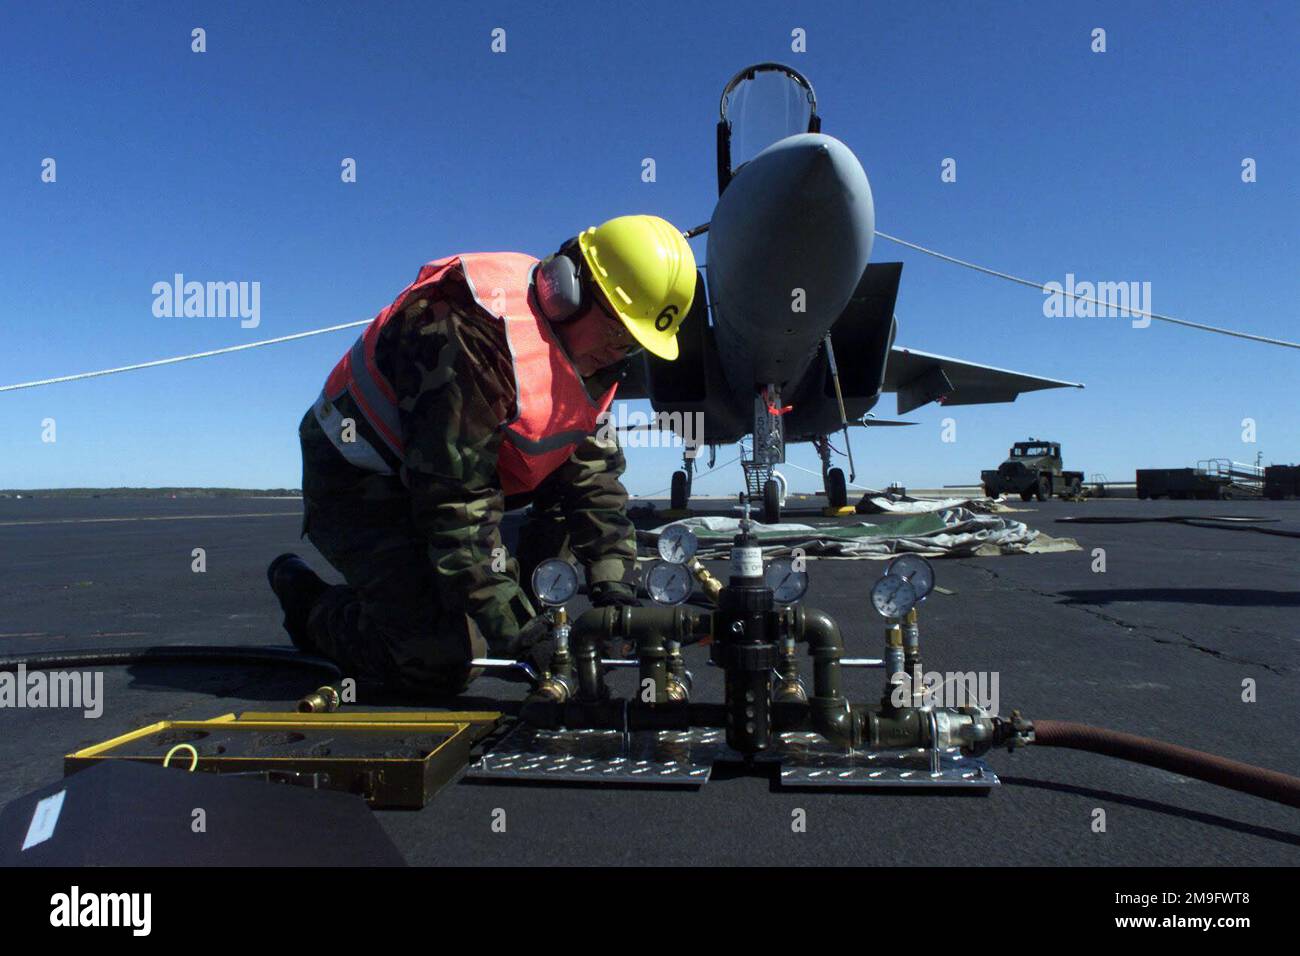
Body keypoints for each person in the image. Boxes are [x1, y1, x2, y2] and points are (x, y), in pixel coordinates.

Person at [267, 215, 697, 695]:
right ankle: (307, 602)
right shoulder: (465, 331)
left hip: (456, 481)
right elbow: (456, 515)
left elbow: (594, 478)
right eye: (618, 332)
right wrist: (525, 637)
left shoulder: (594, 358)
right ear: (568, 291)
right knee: (443, 660)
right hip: (360, 482)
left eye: (635, 345)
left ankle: (454, 599)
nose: (622, 353)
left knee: (508, 595)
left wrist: (616, 597)